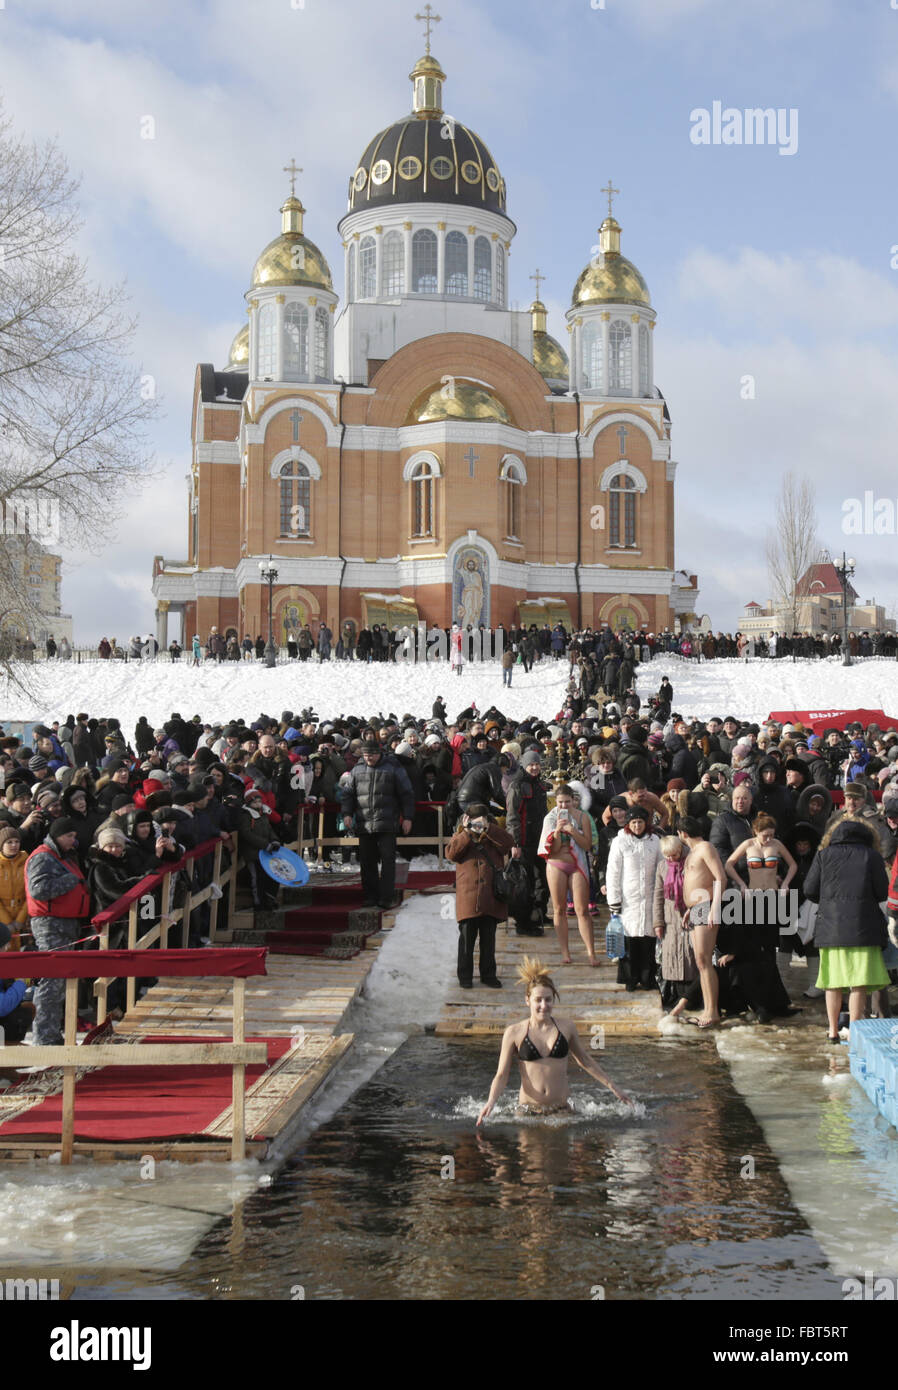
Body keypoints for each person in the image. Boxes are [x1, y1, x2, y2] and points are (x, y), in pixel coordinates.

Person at [476, 957, 631, 1123]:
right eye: (538, 1000)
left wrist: (614, 1088)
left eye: (548, 999)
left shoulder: (566, 1027)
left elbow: (585, 1060)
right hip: (528, 1112)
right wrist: (491, 1101)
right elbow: (502, 1075)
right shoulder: (514, 1032)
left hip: (561, 1111)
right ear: (527, 1000)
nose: (544, 1005)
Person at [803, 818, 891, 1043]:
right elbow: (882, 892)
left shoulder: (824, 855)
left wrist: (829, 899)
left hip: (831, 927)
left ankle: (833, 1031)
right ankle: (854, 1031)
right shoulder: (871, 856)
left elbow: (809, 889)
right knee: (857, 983)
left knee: (833, 982)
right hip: (863, 926)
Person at [24, 817, 91, 1046]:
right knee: (51, 983)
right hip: (50, 925)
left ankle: (52, 1033)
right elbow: (38, 890)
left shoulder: (65, 857)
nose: (73, 840)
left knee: (60, 983)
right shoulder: (43, 857)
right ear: (56, 836)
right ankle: (43, 1036)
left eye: (74, 836)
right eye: (68, 836)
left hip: (66, 924)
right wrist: (70, 880)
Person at [340, 737, 414, 909]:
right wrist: (347, 814)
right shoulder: (357, 770)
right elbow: (348, 794)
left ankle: (386, 897)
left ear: (379, 753)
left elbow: (407, 793)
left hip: (387, 823)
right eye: (365, 755)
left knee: (388, 861)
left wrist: (408, 817)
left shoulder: (393, 767)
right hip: (364, 824)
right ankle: (370, 896)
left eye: (371, 755)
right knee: (367, 862)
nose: (368, 758)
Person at [445, 803, 514, 990]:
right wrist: (466, 832)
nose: (478, 825)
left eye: (481, 821)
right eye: (474, 822)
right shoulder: (461, 835)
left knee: (488, 940)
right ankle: (465, 976)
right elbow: (451, 853)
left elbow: (509, 843)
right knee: (466, 941)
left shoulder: (494, 835)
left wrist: (489, 828)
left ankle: (488, 975)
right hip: (468, 899)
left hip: (490, 898)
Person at [724, 813, 797, 962]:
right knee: (752, 938)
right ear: (756, 832)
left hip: (772, 895)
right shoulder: (748, 844)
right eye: (765, 836)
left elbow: (793, 865)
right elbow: (728, 864)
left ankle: (770, 976)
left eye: (772, 835)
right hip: (753, 894)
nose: (769, 839)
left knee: (770, 941)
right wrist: (742, 884)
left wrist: (785, 883)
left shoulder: (776, 844)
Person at [538, 783, 597, 966]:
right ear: (555, 801)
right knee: (559, 909)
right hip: (556, 864)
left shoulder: (582, 817)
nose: (564, 806)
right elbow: (552, 850)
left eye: (567, 802)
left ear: (574, 800)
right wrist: (557, 832)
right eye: (561, 802)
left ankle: (591, 952)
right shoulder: (550, 818)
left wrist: (572, 830)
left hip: (577, 864)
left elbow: (587, 845)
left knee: (582, 910)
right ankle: (565, 952)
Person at [605, 804, 662, 990]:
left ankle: (647, 978)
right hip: (628, 899)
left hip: (650, 896)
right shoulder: (620, 842)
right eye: (634, 822)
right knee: (629, 941)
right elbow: (613, 873)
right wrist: (614, 901)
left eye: (640, 822)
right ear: (628, 824)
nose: (637, 826)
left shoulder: (655, 841)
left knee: (647, 940)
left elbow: (661, 868)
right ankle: (630, 978)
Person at [678, 817, 728, 1028]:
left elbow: (720, 878)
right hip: (697, 909)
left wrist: (714, 908)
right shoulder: (692, 853)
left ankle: (712, 1012)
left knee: (704, 959)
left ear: (683, 833)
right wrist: (690, 908)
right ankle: (708, 1009)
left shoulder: (705, 848)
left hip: (707, 907)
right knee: (701, 961)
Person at [0, 825, 29, 950]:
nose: (14, 845)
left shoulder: (27, 861)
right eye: (9, 842)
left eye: (17, 841)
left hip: (23, 918)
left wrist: (20, 919)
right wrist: (6, 922)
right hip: (2, 920)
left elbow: (31, 892)